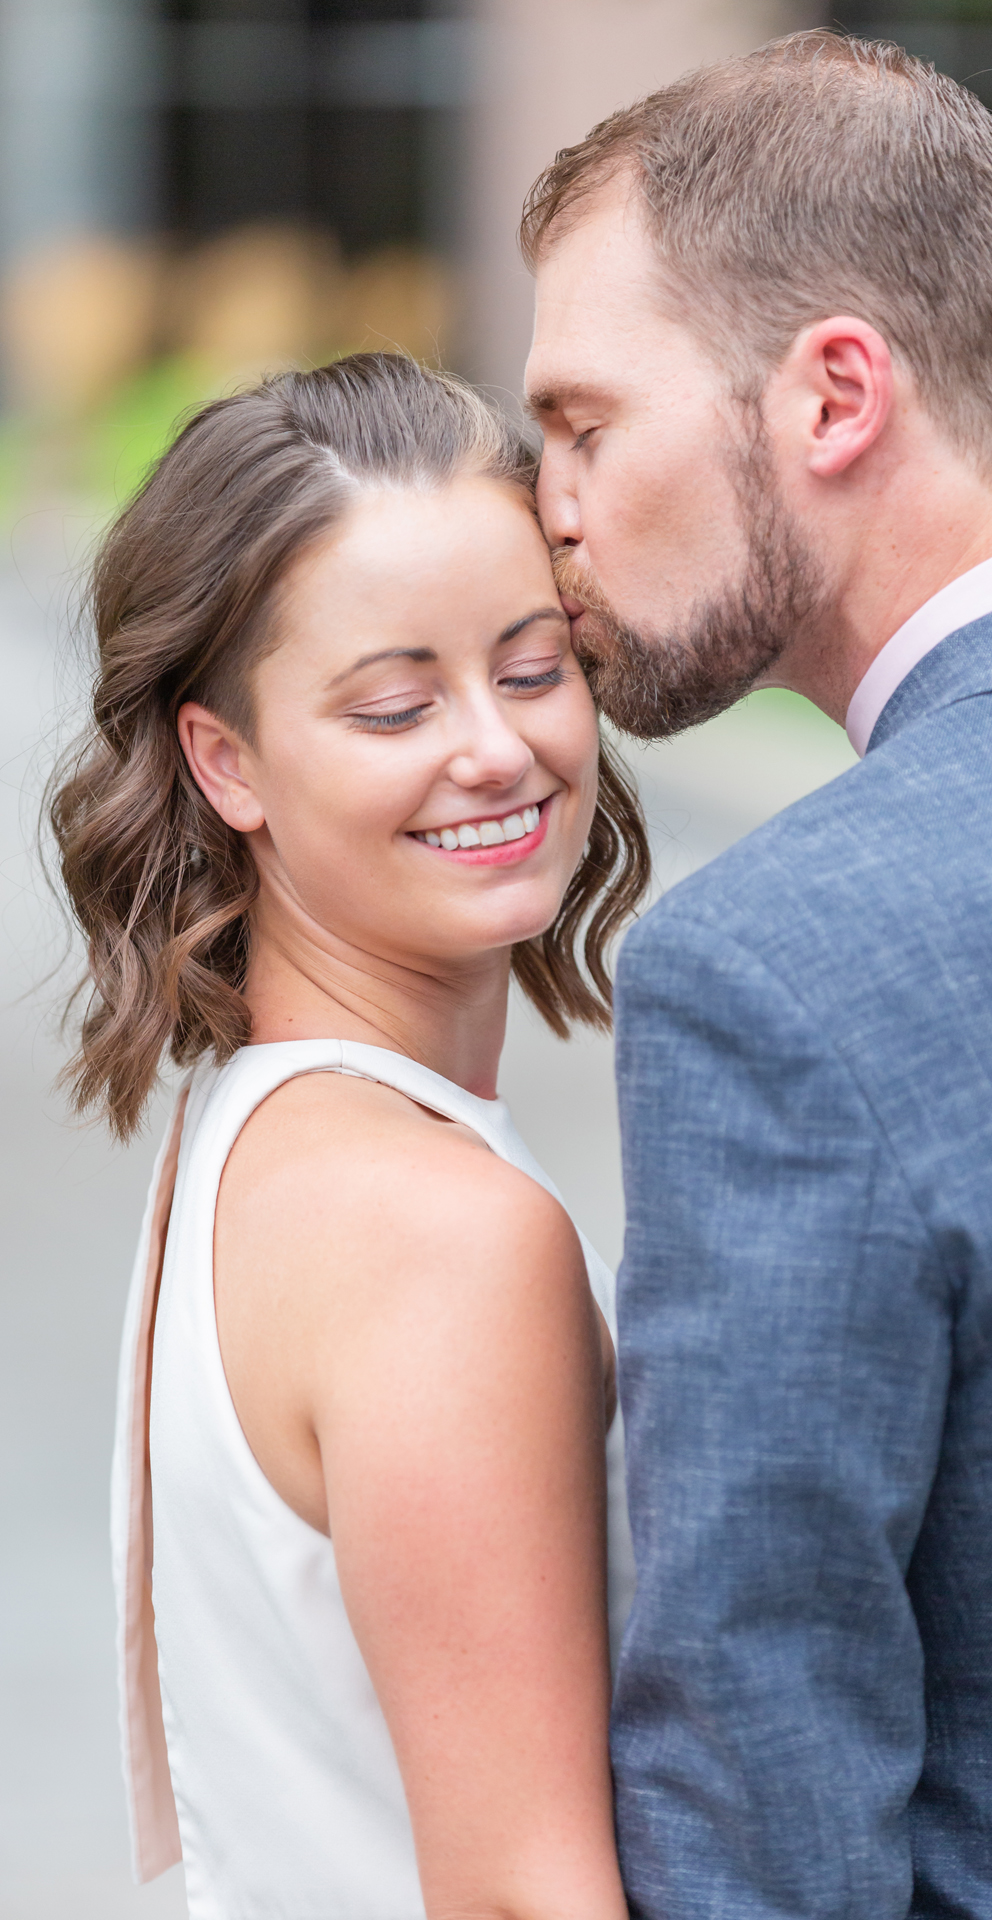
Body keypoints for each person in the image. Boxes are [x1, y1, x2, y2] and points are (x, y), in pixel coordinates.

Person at [524, 30, 992, 1918]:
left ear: (833, 395)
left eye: (585, 423)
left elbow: (755, 1800)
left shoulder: (774, 976)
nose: (549, 504)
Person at [48, 353, 645, 1920]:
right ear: (223, 759)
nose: (496, 748)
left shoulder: (246, 1133)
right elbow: (526, 1897)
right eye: (395, 703)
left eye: (531, 669)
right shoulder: (434, 1234)